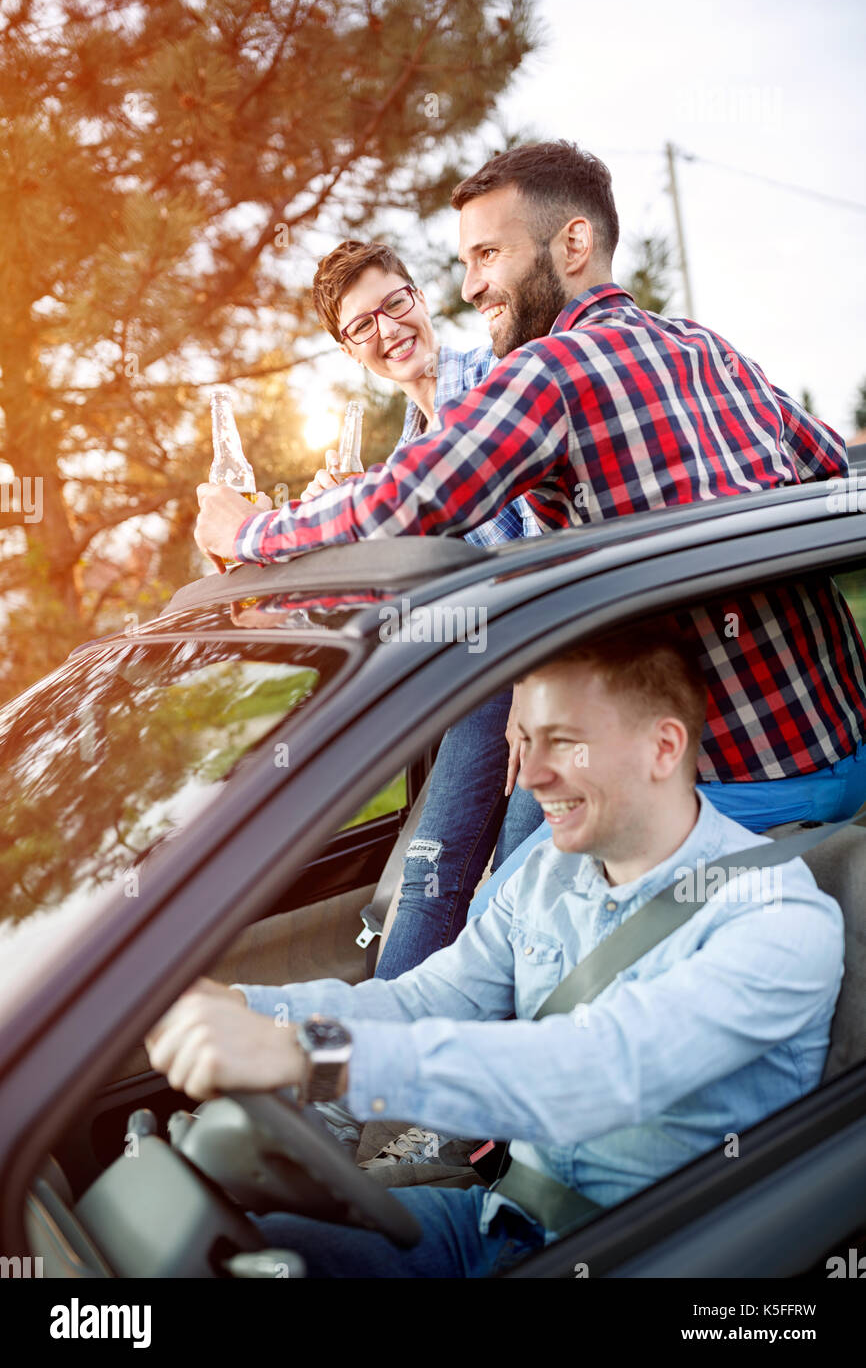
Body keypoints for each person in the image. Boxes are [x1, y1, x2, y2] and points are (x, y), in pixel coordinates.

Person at [195, 139, 866, 837]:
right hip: (845, 753)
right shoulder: (709, 349)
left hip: (726, 794)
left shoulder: (548, 371)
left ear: (573, 243)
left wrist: (244, 533)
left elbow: (408, 505)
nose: (470, 287)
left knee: (512, 916)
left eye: (489, 255)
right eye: (464, 264)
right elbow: (831, 473)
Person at [145, 622, 845, 1277]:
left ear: (663, 748)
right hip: (497, 1221)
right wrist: (251, 1009)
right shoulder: (547, 875)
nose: (531, 774)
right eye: (528, 739)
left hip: (650, 1248)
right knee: (218, 1256)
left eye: (564, 743)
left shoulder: (776, 918)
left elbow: (596, 1072)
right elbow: (423, 1003)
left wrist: (313, 1058)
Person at [303, 240, 544, 978]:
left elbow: (554, 548)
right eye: (360, 326)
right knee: (427, 883)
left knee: (525, 884)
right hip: (484, 678)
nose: (386, 330)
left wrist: (539, 685)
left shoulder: (501, 380)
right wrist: (329, 545)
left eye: (393, 303)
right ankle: (371, 1064)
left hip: (562, 661)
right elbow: (398, 606)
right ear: (349, 350)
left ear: (420, 296)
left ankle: (506, 1066)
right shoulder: (406, 452)